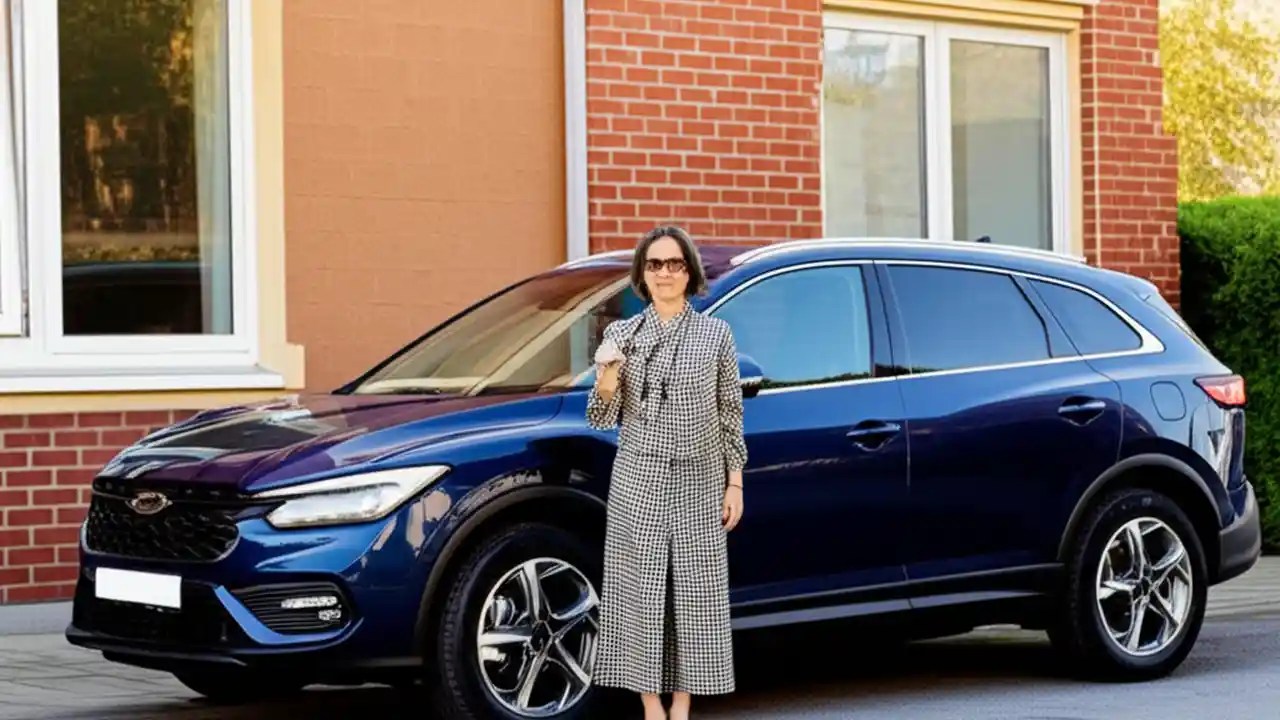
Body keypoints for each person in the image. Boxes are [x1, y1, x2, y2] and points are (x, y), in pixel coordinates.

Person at [586, 225, 747, 720]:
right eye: (654, 265)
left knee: (694, 594)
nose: (664, 274)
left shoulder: (716, 335)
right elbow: (601, 418)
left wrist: (735, 482)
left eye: (674, 264)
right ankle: (650, 705)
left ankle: (682, 704)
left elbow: (730, 413)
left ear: (689, 272)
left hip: (700, 478)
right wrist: (608, 375)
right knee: (641, 590)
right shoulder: (621, 335)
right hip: (639, 479)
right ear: (643, 274)